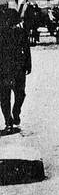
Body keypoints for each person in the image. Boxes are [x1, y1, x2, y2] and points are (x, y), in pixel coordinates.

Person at [0, 7, 32, 135]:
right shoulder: (2, 33)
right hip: (5, 68)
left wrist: (29, 65)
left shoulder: (21, 32)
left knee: (18, 94)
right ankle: (8, 120)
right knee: (5, 96)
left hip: (17, 67)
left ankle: (15, 112)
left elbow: (27, 49)